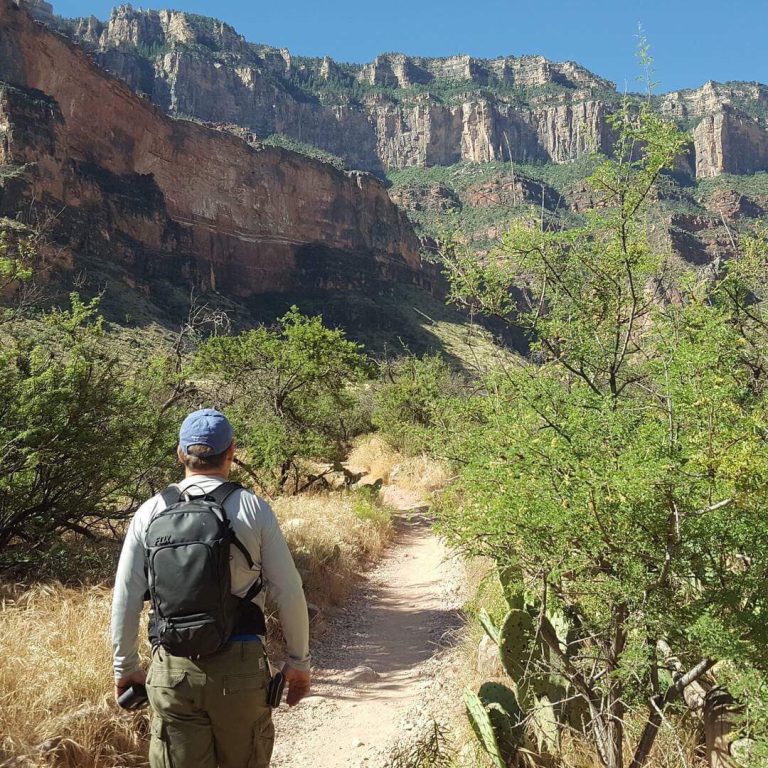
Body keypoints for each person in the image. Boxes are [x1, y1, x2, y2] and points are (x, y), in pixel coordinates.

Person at [111, 408, 311, 768]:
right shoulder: (252, 508)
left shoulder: (150, 511)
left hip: (173, 669)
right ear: (231, 452)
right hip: (241, 667)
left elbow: (126, 596)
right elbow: (289, 590)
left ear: (180, 453)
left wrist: (125, 667)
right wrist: (298, 661)